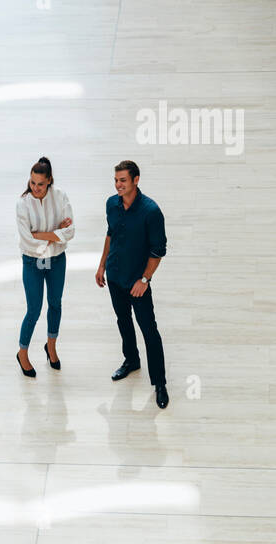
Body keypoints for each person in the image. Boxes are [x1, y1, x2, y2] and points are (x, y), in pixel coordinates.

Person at [95, 161, 169, 409]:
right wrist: (102, 265)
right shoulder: (111, 204)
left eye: (123, 180)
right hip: (115, 276)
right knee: (123, 321)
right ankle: (131, 360)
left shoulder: (151, 211)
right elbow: (110, 234)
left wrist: (145, 280)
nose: (118, 185)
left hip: (137, 282)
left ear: (136, 180)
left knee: (149, 329)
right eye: (116, 180)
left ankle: (160, 382)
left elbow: (158, 251)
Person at [16, 156, 74, 376]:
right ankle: (22, 353)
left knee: (55, 304)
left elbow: (70, 232)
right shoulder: (22, 204)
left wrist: (41, 234)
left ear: (49, 180)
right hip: (32, 262)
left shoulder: (60, 197)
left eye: (40, 184)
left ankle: (51, 346)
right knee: (33, 310)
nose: (36, 188)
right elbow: (28, 241)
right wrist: (55, 233)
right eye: (32, 183)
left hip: (57, 260)